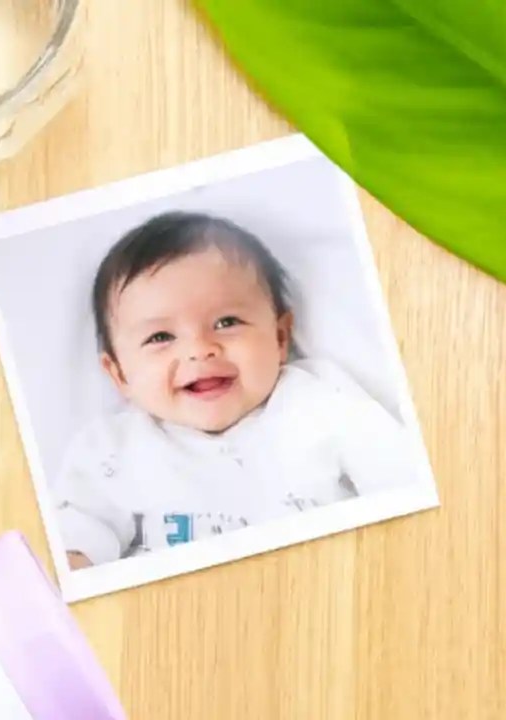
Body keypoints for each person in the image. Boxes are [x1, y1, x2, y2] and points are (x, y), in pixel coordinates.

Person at [55, 211, 415, 570]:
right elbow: (80, 535)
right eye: (160, 337)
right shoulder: (114, 448)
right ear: (119, 375)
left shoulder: (319, 400)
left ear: (279, 337)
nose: (199, 348)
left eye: (226, 322)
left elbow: (400, 476)